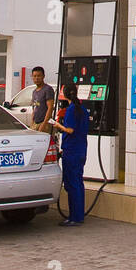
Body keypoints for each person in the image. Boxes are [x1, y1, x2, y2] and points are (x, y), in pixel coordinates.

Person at [50, 82, 89, 226]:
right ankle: (78, 215)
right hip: (79, 149)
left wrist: (57, 125)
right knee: (78, 183)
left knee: (72, 184)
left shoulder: (72, 110)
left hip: (72, 151)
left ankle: (75, 217)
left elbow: (70, 130)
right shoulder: (82, 110)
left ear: (65, 94)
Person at [28, 66, 55, 132]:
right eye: (34, 76)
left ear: (43, 76)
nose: (36, 78)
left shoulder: (48, 89)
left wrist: (44, 124)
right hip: (35, 124)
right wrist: (32, 123)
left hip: (44, 124)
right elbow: (35, 108)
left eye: (39, 76)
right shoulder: (34, 91)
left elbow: (50, 108)